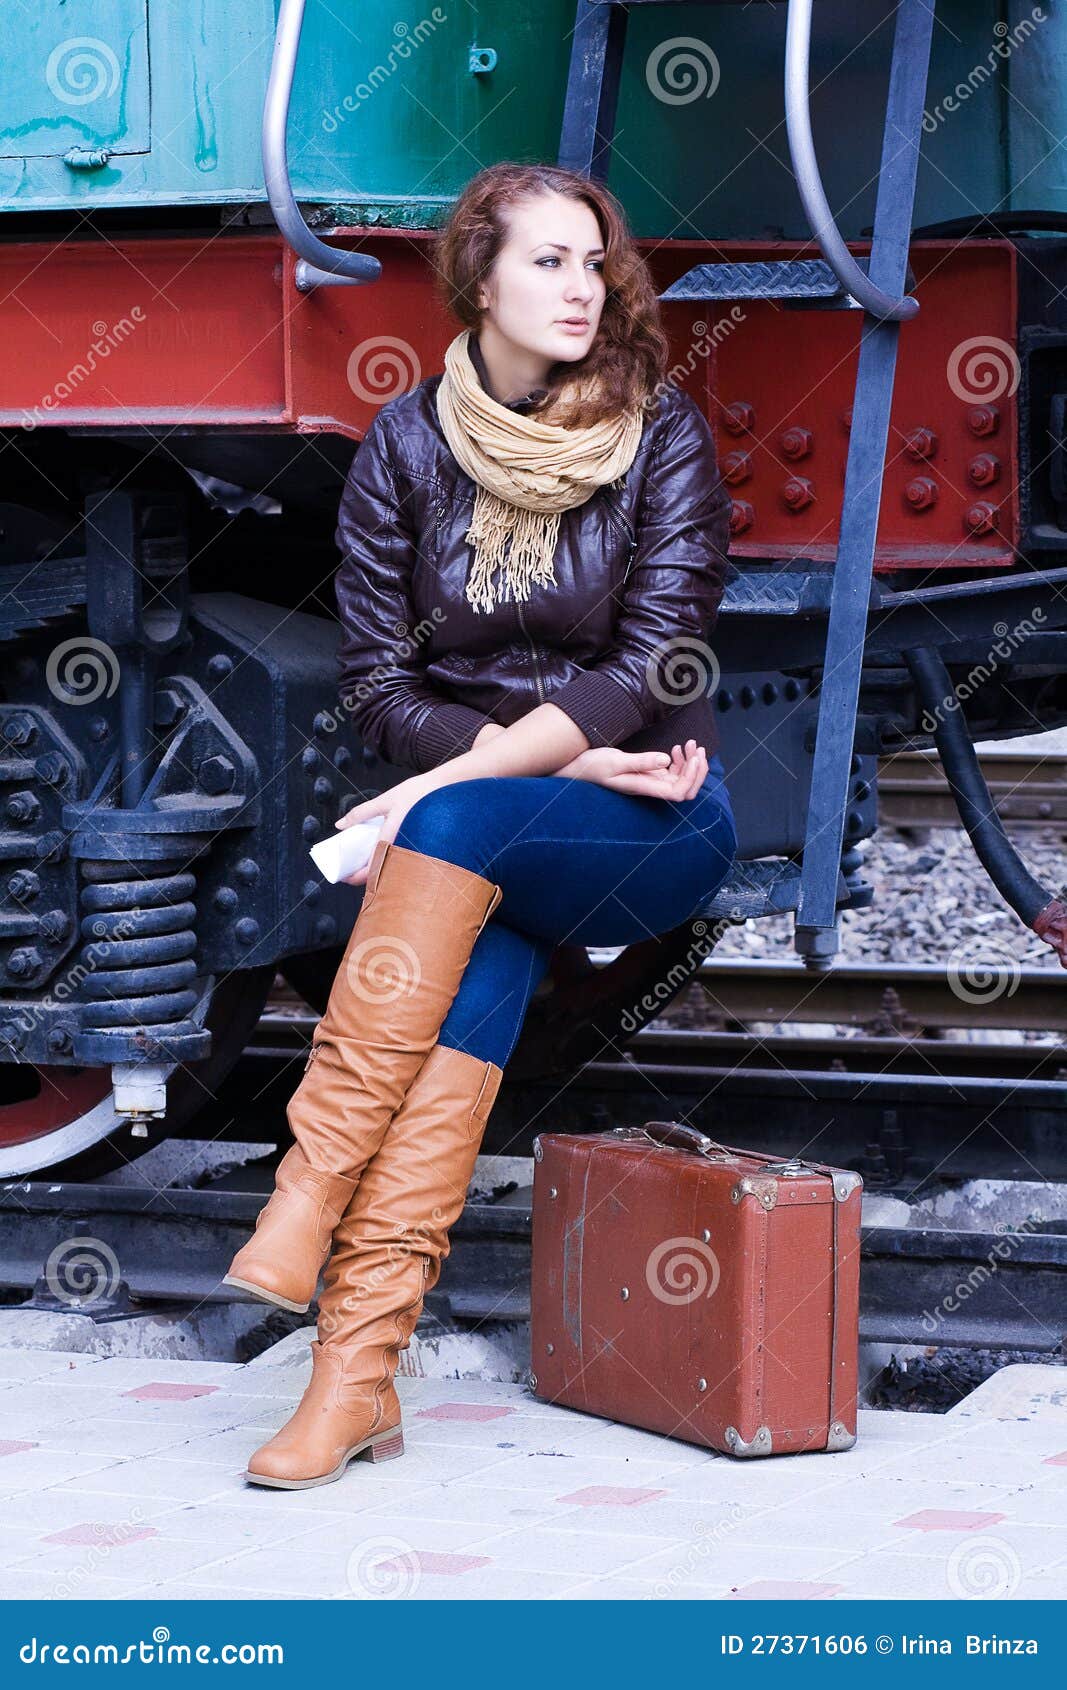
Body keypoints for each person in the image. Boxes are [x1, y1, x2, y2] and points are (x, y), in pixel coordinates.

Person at [224, 161, 739, 1489]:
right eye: (548, 262)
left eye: (593, 263)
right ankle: (353, 1381)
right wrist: (538, 774)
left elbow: (648, 669)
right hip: (535, 821)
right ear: (478, 279)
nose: (583, 289)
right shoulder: (406, 445)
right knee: (474, 942)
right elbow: (381, 691)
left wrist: (469, 784)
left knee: (447, 832)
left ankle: (304, 1192)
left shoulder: (661, 437)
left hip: (656, 827)